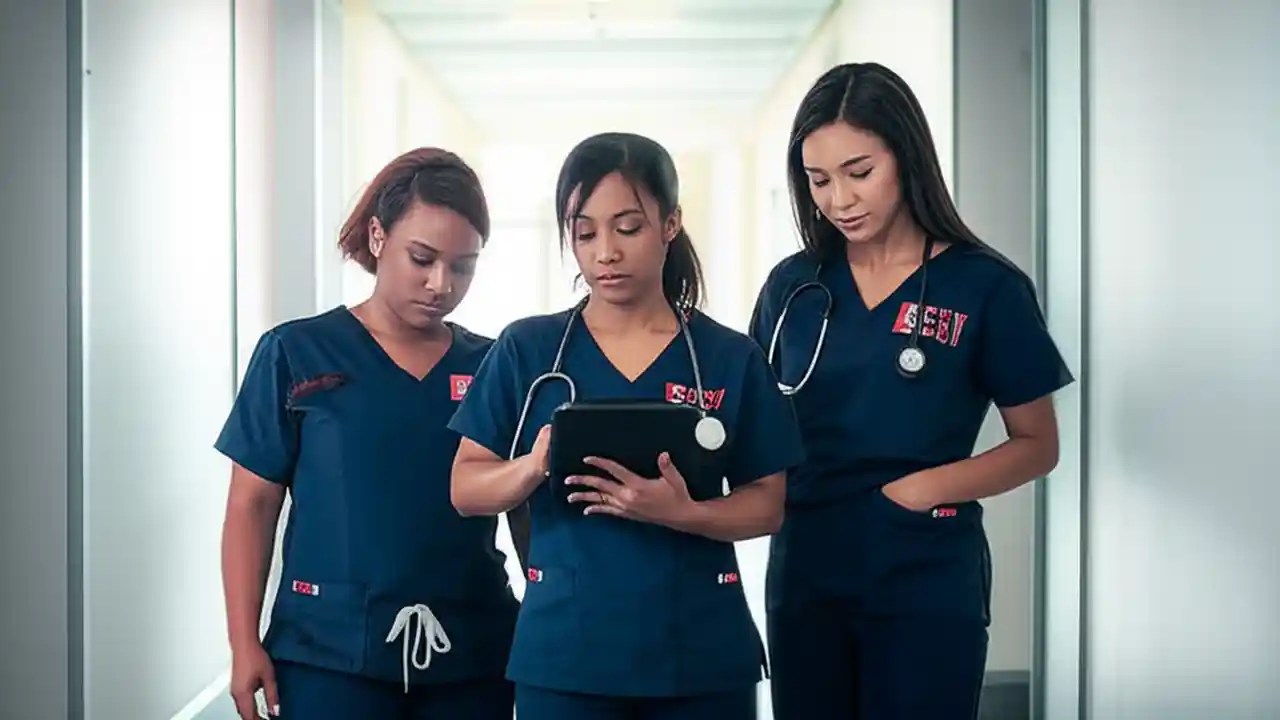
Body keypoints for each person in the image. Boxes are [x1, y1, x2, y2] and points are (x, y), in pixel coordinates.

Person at [749, 62, 1074, 719]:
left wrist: (922, 489)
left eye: (858, 172)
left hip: (924, 567)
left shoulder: (985, 287)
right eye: (819, 180)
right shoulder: (794, 286)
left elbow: (1037, 445)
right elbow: (751, 420)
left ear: (907, 156)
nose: (839, 199)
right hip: (806, 565)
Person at [447, 131, 805, 720]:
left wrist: (680, 513)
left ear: (671, 224)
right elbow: (466, 489)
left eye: (628, 228)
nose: (605, 252)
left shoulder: (726, 358)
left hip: (698, 654)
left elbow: (767, 505)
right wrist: (536, 462)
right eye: (584, 232)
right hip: (567, 655)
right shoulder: (530, 350)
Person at [215, 147, 522, 720]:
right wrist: (243, 642)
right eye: (422, 258)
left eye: (463, 266)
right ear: (378, 237)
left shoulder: (493, 366)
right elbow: (251, 506)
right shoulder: (295, 352)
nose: (441, 284)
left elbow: (523, 510)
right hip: (325, 655)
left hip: (473, 654)